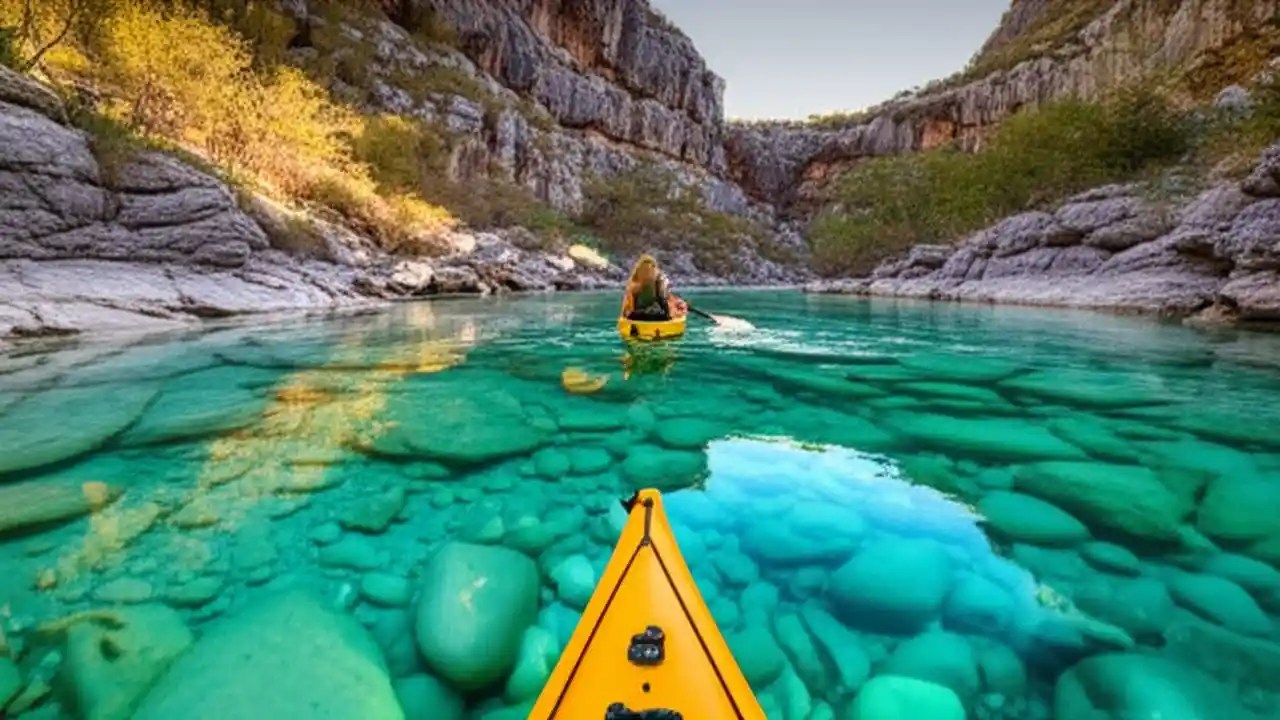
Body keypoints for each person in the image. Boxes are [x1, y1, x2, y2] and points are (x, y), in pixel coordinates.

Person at [621, 254, 687, 321]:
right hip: (644, 316)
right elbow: (628, 309)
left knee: (657, 312)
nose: (648, 272)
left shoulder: (657, 284)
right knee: (657, 313)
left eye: (650, 269)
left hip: (648, 316)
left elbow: (664, 301)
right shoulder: (634, 286)